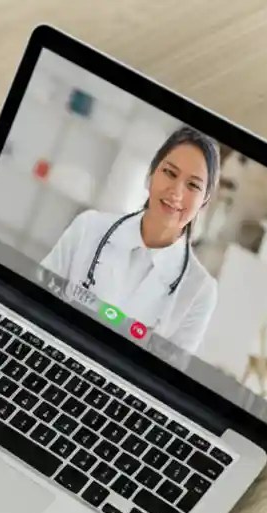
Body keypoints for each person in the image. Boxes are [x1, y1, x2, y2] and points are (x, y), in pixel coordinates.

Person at [41, 126, 220, 353]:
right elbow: (36, 300)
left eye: (193, 185)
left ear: (204, 202)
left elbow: (166, 369)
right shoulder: (88, 228)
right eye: (170, 173)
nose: (176, 192)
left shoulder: (201, 291)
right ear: (150, 176)